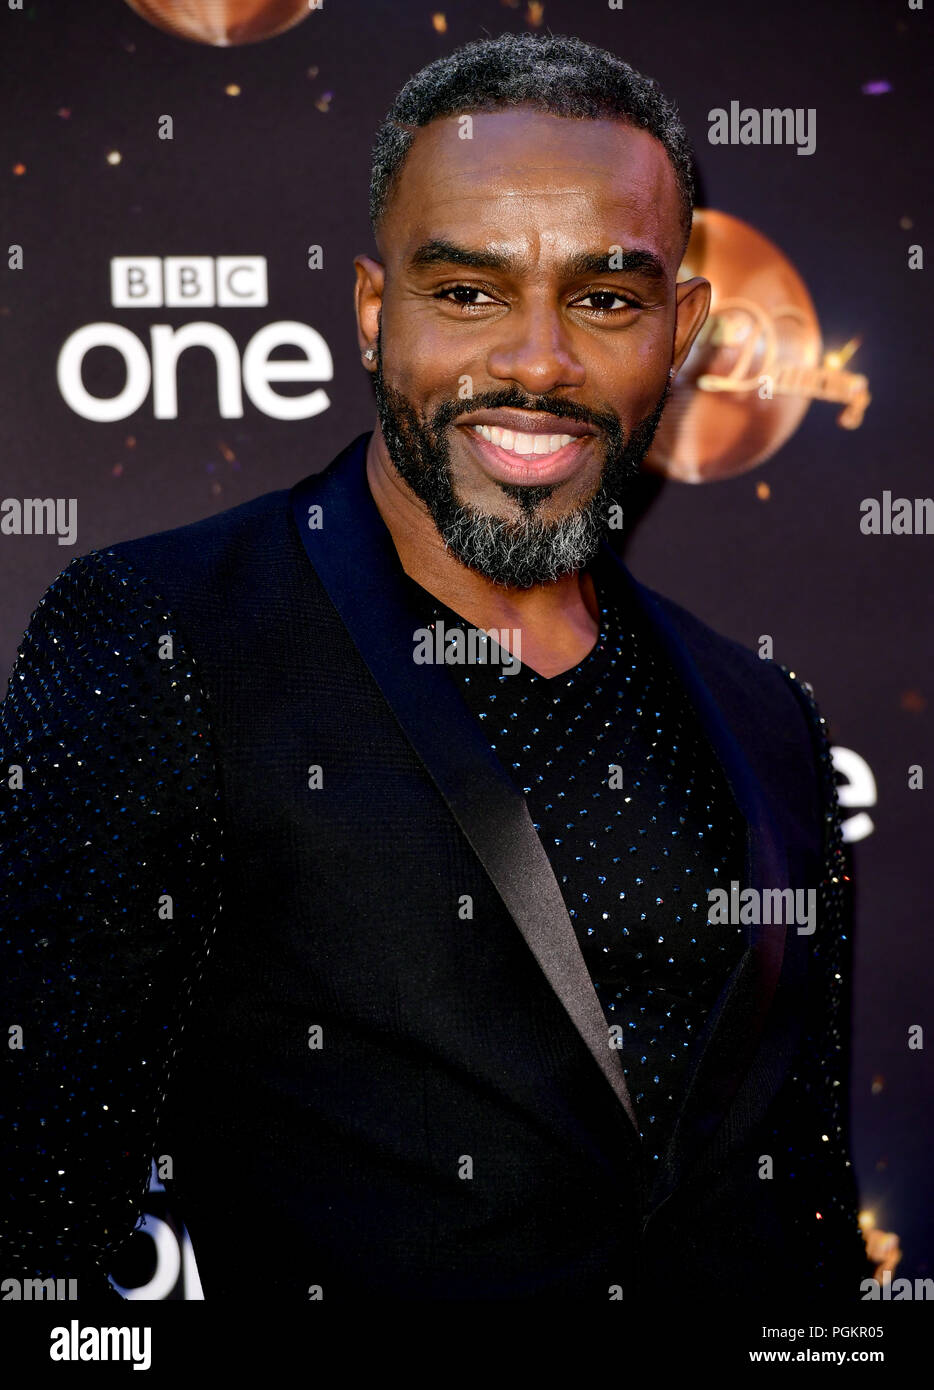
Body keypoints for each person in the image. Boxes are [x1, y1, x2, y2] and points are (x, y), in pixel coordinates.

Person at [1, 32, 874, 1302]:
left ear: (681, 328)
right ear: (373, 313)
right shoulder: (164, 635)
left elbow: (806, 1207)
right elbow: (38, 1215)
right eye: (465, 293)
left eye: (606, 298)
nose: (534, 361)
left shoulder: (766, 717)